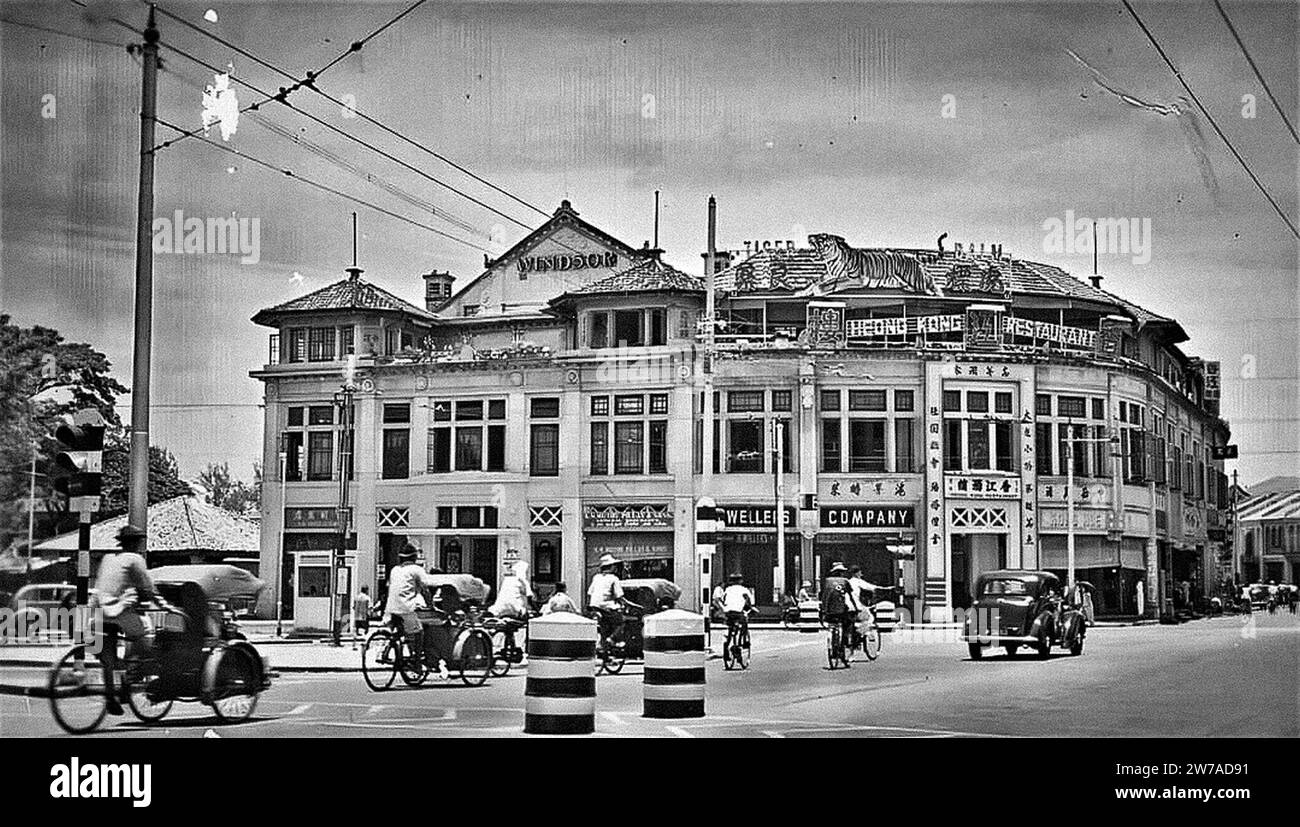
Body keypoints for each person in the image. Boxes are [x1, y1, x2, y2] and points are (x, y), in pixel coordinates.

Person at [92, 524, 167, 716]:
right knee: (145, 636)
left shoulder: (108, 559)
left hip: (98, 610)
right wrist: (163, 604)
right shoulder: (135, 559)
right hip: (118, 611)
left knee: (106, 657)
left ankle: (110, 695)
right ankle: (129, 680)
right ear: (136, 543)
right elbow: (147, 587)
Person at [384, 545, 443, 672]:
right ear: (414, 557)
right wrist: (431, 605)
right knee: (419, 633)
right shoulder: (416, 569)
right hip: (406, 609)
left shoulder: (395, 570)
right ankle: (417, 663)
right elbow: (426, 588)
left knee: (402, 632)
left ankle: (388, 649)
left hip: (390, 609)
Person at [587, 553, 626, 648]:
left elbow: (590, 593)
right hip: (606, 608)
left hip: (595, 607)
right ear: (611, 567)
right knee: (622, 622)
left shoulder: (596, 577)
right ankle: (612, 639)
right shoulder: (614, 578)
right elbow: (619, 596)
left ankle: (605, 649)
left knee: (604, 628)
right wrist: (626, 604)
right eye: (614, 566)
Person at [821, 563, 859, 658]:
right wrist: (856, 607)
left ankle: (833, 646)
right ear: (842, 573)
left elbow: (824, 596)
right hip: (841, 611)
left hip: (829, 611)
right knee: (847, 626)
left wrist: (823, 610)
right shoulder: (845, 581)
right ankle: (843, 646)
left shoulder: (827, 581)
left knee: (832, 626)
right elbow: (850, 596)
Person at [721, 573, 754, 647]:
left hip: (728, 612)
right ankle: (744, 641)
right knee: (744, 622)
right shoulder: (744, 590)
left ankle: (726, 645)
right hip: (738, 612)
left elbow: (723, 599)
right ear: (741, 581)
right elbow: (750, 601)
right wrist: (750, 607)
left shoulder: (727, 590)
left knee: (730, 627)